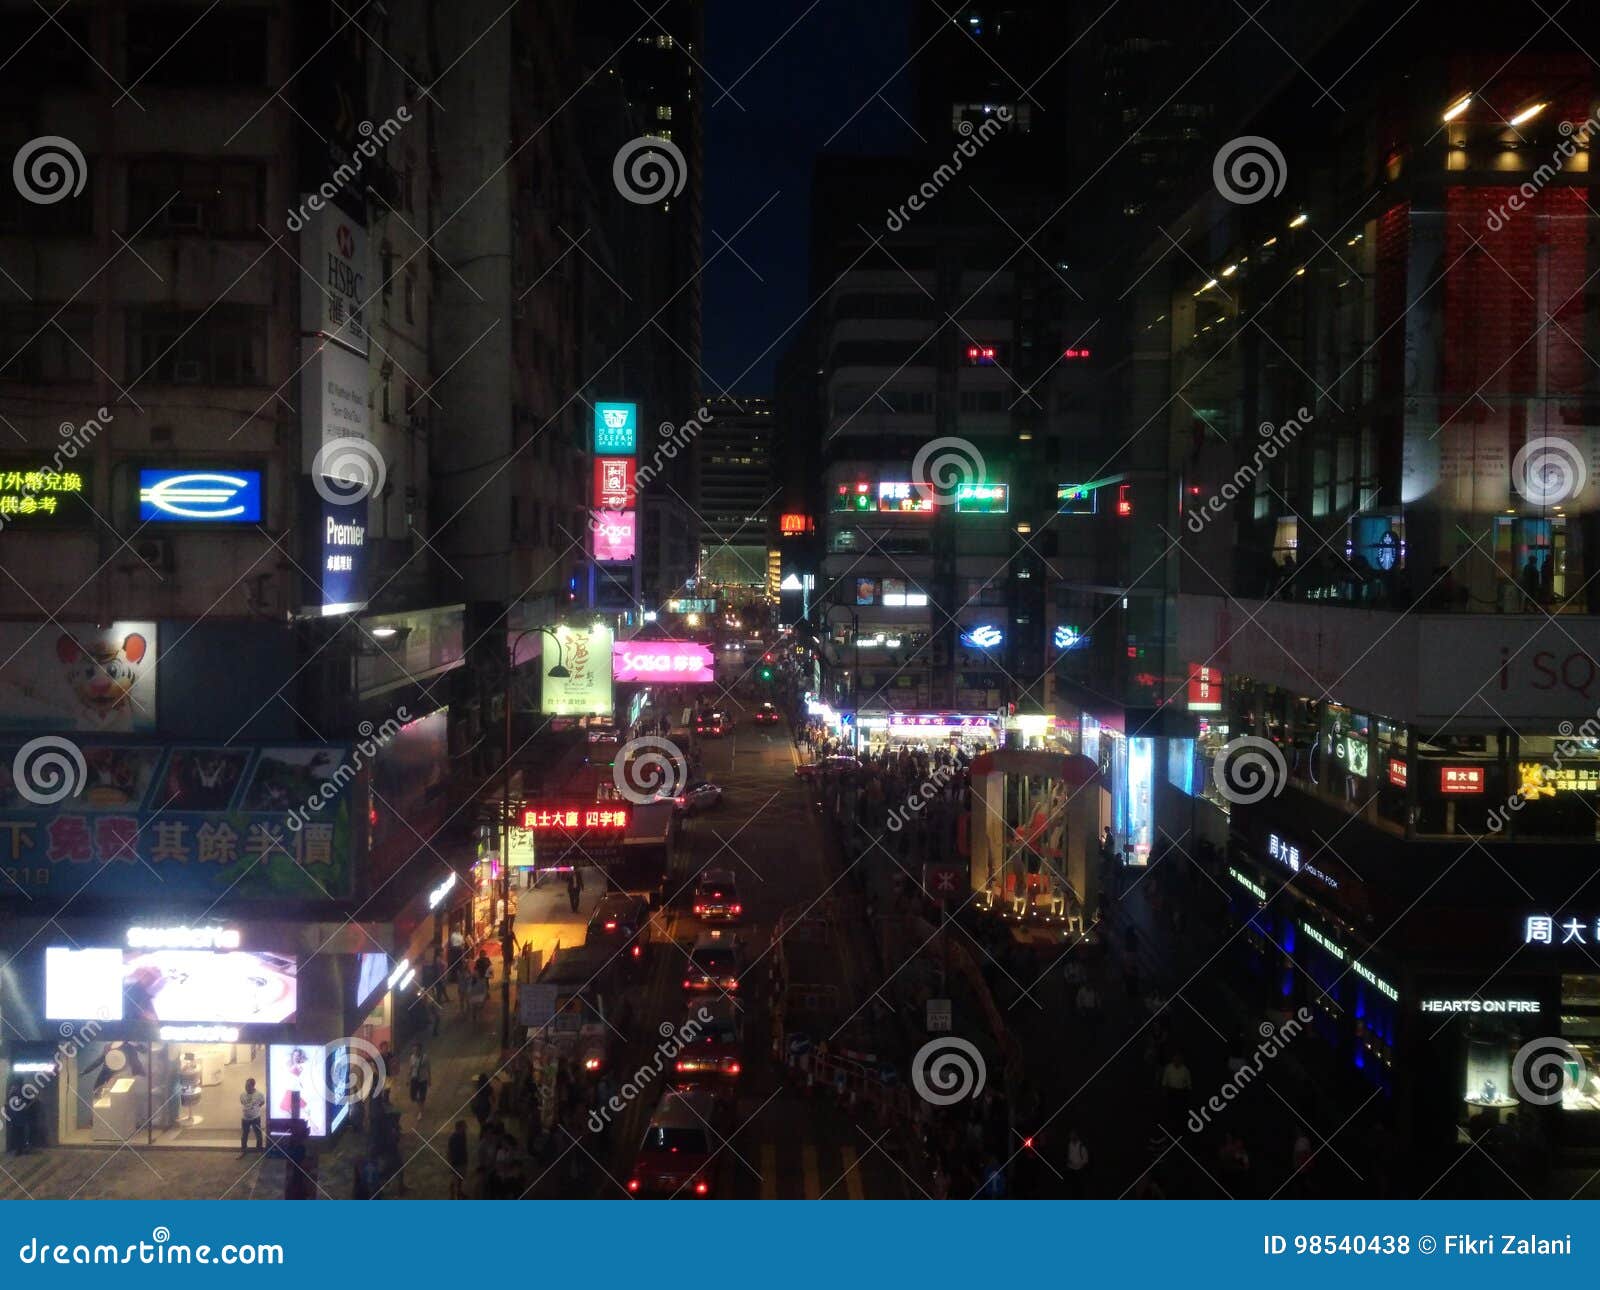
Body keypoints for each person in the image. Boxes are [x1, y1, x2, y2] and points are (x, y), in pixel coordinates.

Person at [238, 1077, 266, 1156]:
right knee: (244, 1135)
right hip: (245, 1118)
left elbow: (262, 1102)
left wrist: (255, 1109)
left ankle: (259, 1150)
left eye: (248, 1086)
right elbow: (242, 1103)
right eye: (245, 1086)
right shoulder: (242, 1094)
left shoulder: (259, 1094)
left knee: (258, 1134)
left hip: (255, 1118)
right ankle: (243, 1151)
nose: (246, 1087)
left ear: (253, 1086)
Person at [447, 1119, 469, 1199]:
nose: (465, 1128)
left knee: (460, 1179)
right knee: (453, 1181)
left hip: (463, 1160)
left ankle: (459, 1193)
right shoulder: (453, 1138)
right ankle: (452, 1196)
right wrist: (450, 1162)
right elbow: (449, 1151)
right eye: (464, 1127)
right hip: (455, 1162)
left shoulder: (463, 1135)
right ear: (459, 1127)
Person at [408, 1045, 431, 1111]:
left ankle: (421, 1109)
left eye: (416, 1050)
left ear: (420, 1050)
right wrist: (408, 1078)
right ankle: (420, 1104)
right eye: (414, 1050)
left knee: (422, 1096)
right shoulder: (412, 1057)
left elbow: (428, 1068)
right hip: (414, 1078)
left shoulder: (425, 1057)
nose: (415, 1051)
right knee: (413, 1096)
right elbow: (410, 1068)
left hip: (423, 1079)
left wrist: (429, 1079)